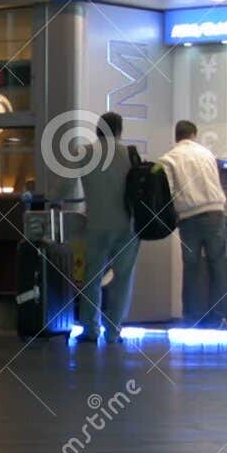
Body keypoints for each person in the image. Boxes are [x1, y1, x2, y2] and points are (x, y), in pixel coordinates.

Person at [157, 120, 227, 328]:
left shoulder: (168, 159)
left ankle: (191, 318)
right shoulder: (207, 154)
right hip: (215, 213)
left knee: (191, 268)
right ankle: (218, 318)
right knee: (217, 266)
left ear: (176, 136)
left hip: (189, 218)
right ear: (194, 135)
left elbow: (168, 193)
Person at [77, 111, 139, 344]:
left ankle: (90, 329)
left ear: (98, 128)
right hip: (126, 225)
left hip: (96, 225)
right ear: (119, 130)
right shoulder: (129, 153)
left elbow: (65, 187)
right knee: (122, 279)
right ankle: (113, 331)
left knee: (91, 278)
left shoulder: (84, 152)